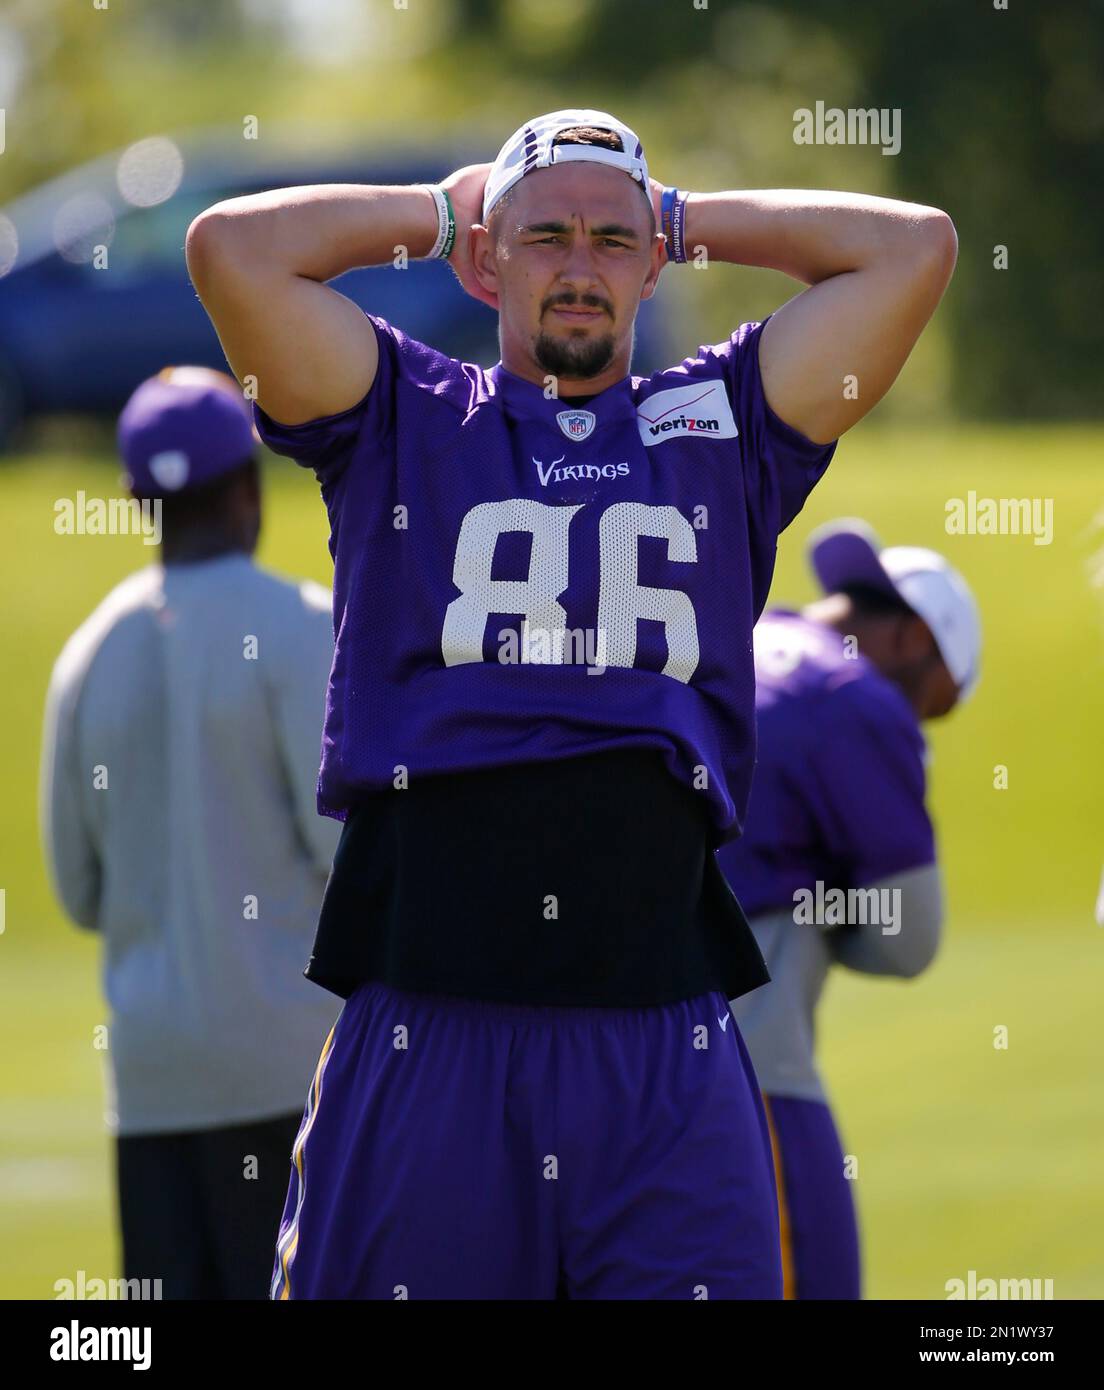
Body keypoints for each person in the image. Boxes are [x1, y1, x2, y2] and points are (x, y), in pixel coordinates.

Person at [184, 108, 957, 1300]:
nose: (582, 268)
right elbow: (230, 250)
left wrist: (687, 219)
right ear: (488, 259)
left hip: (664, 1024)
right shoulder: (404, 410)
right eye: (546, 237)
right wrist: (441, 208)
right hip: (430, 1011)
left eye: (613, 240)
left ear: (653, 260)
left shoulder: (722, 423)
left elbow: (915, 248)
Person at [39, 367, 341, 1299]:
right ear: (248, 485)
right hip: (295, 1077)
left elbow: (76, 891)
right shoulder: (303, 628)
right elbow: (348, 857)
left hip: (152, 1082)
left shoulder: (87, 654)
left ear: (138, 501)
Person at [717, 517, 982, 1300]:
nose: (919, 727)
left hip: (582, 1053)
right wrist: (824, 910)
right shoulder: (852, 692)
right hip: (747, 1069)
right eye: (932, 706)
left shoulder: (734, 630)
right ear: (906, 639)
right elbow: (911, 940)